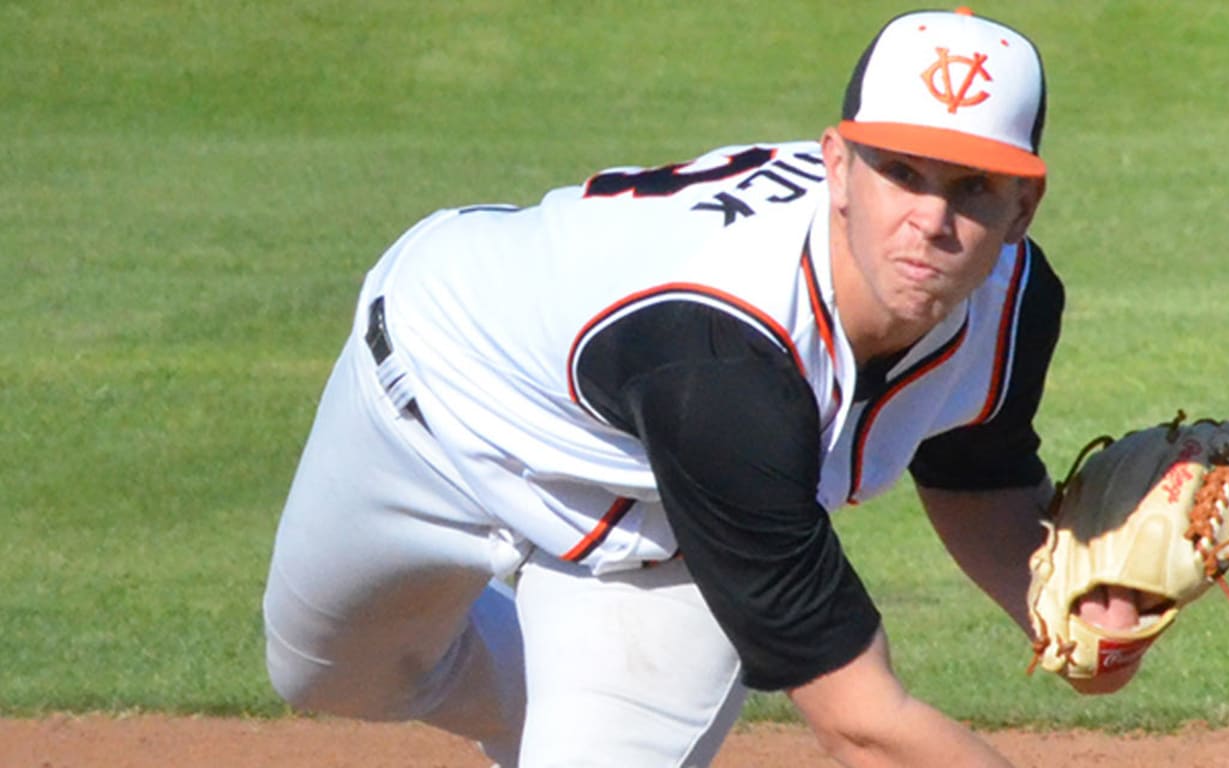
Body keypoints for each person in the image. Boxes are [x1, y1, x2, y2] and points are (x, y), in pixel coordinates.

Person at [262, 7, 1147, 767]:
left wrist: (1065, 606)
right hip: (436, 395)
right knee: (331, 677)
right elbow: (862, 726)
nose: (932, 220)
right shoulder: (725, 356)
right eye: (901, 173)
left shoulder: (1011, 304)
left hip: (671, 512)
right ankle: (557, 696)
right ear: (837, 167)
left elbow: (973, 470)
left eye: (972, 187)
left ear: (1022, 208)